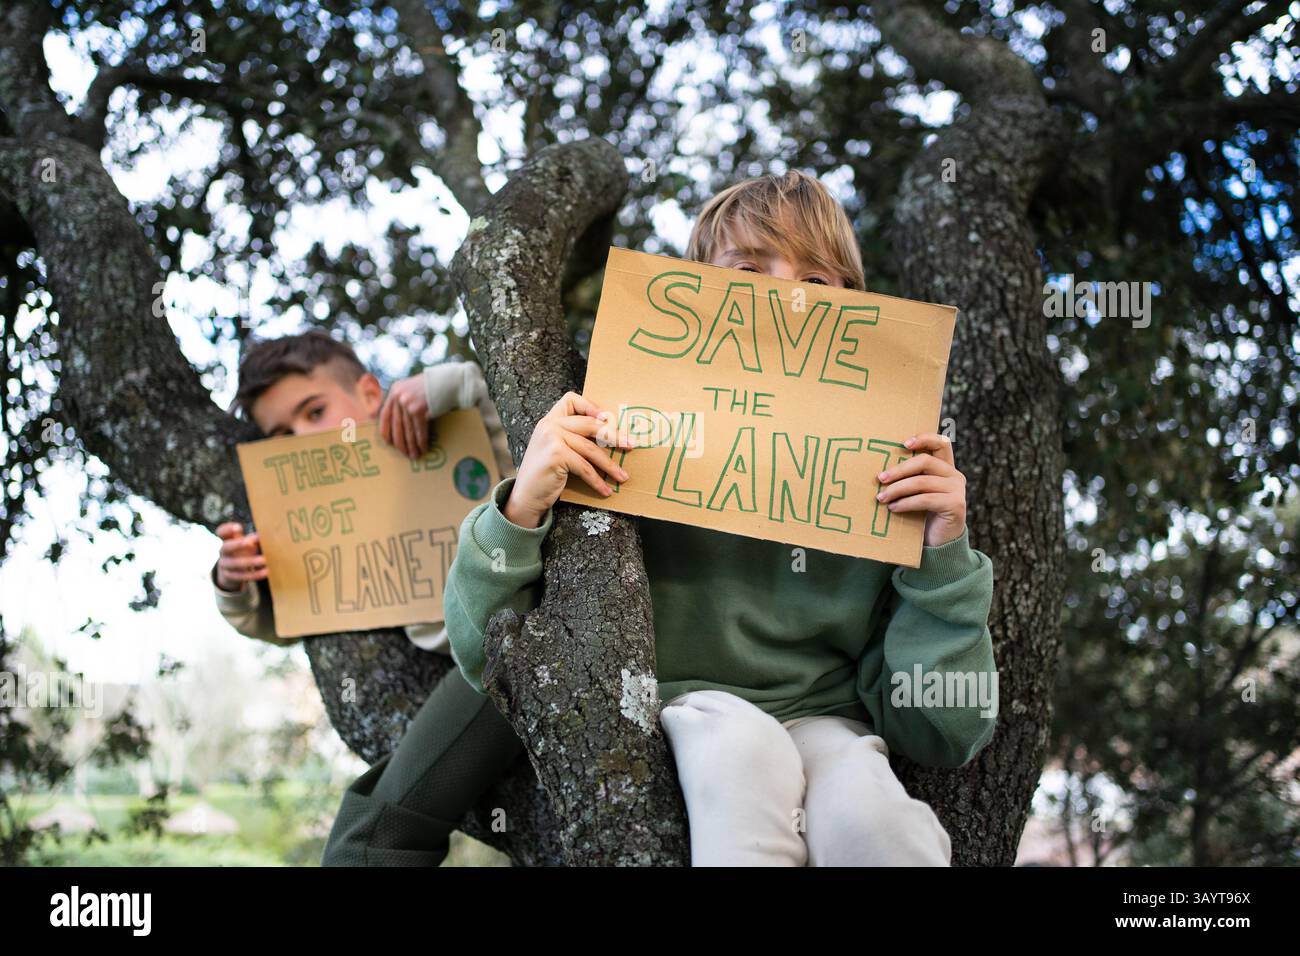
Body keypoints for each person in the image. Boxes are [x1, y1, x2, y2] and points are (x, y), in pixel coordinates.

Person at [442, 170, 998, 866]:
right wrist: (522, 504)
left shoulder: (884, 470)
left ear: (855, 311)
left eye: (817, 282)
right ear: (701, 289)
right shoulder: (625, 429)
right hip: (695, 716)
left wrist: (944, 558)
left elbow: (945, 730)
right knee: (741, 752)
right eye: (748, 268)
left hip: (829, 725)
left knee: (876, 817)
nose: (787, 298)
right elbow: (482, 645)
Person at [206, 329, 524, 865]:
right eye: (280, 433)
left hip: (515, 642)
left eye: (314, 412)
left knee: (369, 845)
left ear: (371, 396)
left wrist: (436, 386)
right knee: (370, 833)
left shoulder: (439, 427)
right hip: (479, 673)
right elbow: (292, 612)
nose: (302, 439)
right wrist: (233, 583)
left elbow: (503, 419)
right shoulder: (322, 516)